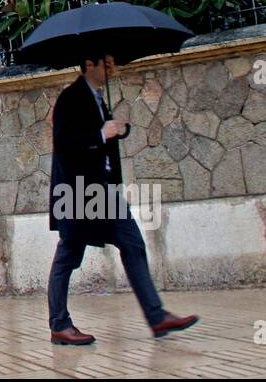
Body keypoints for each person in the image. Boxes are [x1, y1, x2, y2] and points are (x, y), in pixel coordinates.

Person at [48, 52, 198, 345]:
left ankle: (157, 317)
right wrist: (101, 134)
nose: (111, 68)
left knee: (132, 244)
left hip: (103, 190)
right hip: (78, 192)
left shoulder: (97, 98)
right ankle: (59, 324)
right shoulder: (71, 98)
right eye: (106, 62)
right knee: (70, 254)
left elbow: (100, 138)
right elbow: (65, 143)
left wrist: (118, 130)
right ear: (89, 63)